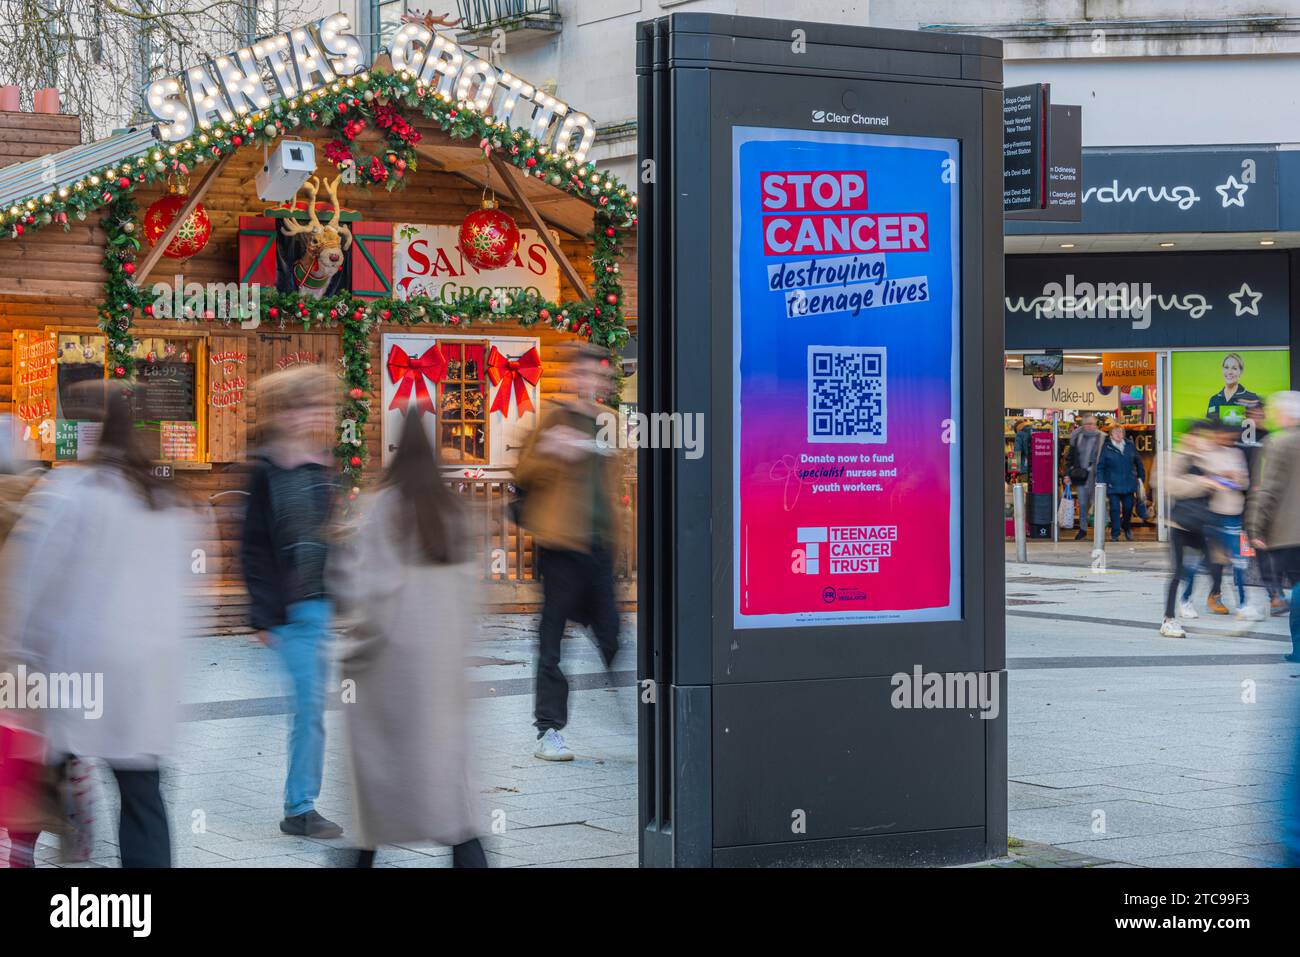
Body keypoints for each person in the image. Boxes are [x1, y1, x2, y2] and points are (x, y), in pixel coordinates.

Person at [1, 384, 193, 867]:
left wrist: (21, 655)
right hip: (149, 672)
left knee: (48, 763)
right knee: (142, 798)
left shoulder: (73, 492)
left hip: (82, 665)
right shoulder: (169, 501)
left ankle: (38, 846)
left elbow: (37, 580)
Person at [329, 410, 488, 868]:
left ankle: (359, 859)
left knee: (377, 785)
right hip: (441, 675)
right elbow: (470, 596)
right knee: (451, 795)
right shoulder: (453, 511)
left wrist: (350, 653)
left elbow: (368, 592)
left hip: (389, 675)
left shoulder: (383, 508)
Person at [240, 364, 344, 839]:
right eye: (310, 406)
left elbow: (326, 536)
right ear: (288, 411)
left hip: (318, 605)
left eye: (321, 406)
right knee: (308, 707)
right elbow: (253, 546)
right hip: (287, 610)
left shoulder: (321, 466)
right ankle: (299, 808)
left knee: (311, 708)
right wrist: (262, 615)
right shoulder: (265, 472)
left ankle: (301, 802)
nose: (318, 415)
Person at [514, 343, 623, 761]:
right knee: (553, 640)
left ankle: (638, 717)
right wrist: (551, 451)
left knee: (612, 634)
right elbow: (523, 472)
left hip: (599, 547)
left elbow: (618, 474)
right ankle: (549, 731)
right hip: (559, 546)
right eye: (584, 374)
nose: (590, 381)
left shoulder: (610, 422)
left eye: (599, 375)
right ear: (573, 377)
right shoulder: (552, 419)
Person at [1175, 419, 1257, 621]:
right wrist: (1221, 477)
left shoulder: (1236, 453)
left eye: (1230, 436)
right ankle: (1185, 600)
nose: (1228, 439)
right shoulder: (1204, 452)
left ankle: (1243, 604)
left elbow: (1244, 481)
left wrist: (1234, 479)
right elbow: (1200, 479)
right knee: (1197, 561)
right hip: (1210, 515)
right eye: (1224, 435)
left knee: (1239, 560)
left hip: (1233, 514)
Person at [1246, 391, 1300, 662]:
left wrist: (1256, 527)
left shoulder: (1277, 443)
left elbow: (1268, 490)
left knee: (1298, 586)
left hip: (1289, 534)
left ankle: (1299, 648)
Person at [1159, 421, 1220, 638]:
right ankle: (1168, 619)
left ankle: (1190, 598)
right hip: (1180, 523)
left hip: (1199, 522)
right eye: (1195, 436)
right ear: (1187, 437)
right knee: (1177, 573)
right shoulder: (1175, 457)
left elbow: (1213, 486)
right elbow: (1168, 484)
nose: (1198, 441)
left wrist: (1217, 482)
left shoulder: (1203, 460)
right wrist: (1199, 483)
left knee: (1214, 564)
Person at [1095, 424, 1145, 542]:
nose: (1118, 434)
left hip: (1129, 483)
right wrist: (1101, 482)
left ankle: (1126, 526)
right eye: (1116, 432)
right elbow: (1100, 466)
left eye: (1120, 432)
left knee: (1128, 508)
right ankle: (1115, 534)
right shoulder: (1106, 447)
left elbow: (1138, 462)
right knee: (1115, 509)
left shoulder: (1129, 445)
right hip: (1112, 484)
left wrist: (1141, 478)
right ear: (1111, 435)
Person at [1068, 414, 1104, 541]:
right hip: (1081, 476)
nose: (1089, 426)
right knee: (1083, 503)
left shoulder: (1103, 438)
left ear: (1096, 425)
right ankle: (1083, 529)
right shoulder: (1078, 437)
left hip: (1098, 476)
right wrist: (1067, 473)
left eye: (1091, 424)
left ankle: (1099, 530)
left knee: (1099, 504)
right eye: (1086, 424)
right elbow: (1070, 457)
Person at [1206, 352, 1262, 426]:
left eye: (1234, 368)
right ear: (1222, 370)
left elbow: (1258, 427)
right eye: (1226, 367)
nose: (1229, 372)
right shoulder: (1214, 400)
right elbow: (1210, 427)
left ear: (1241, 372)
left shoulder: (1251, 398)